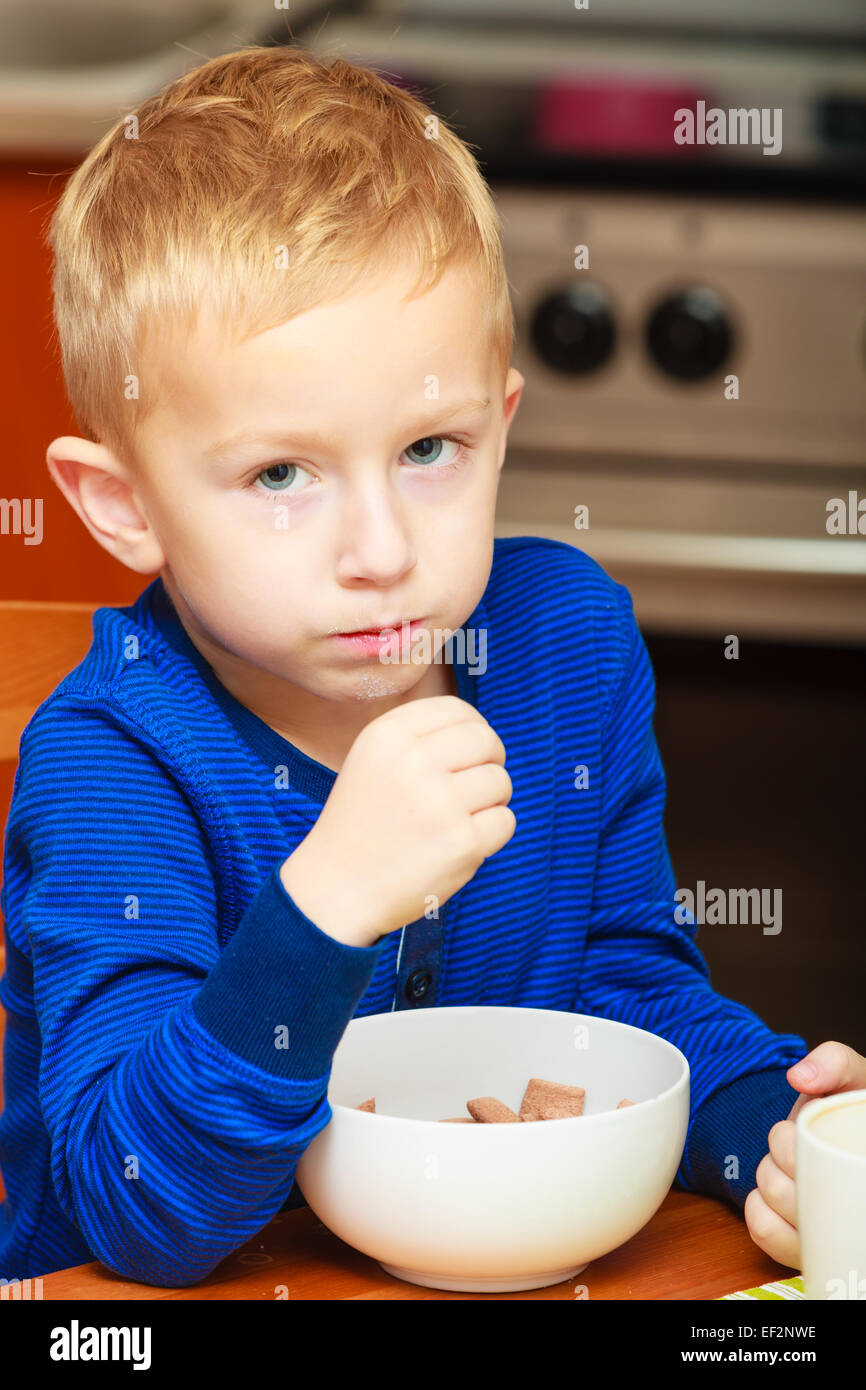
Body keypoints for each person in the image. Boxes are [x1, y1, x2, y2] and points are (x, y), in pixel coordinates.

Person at [0, 44, 857, 1286]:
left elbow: (617, 985)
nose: (382, 551)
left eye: (428, 448)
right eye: (281, 475)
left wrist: (763, 1131)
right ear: (123, 504)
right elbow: (132, 1207)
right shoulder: (113, 760)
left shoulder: (564, 643)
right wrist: (327, 904)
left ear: (502, 424)